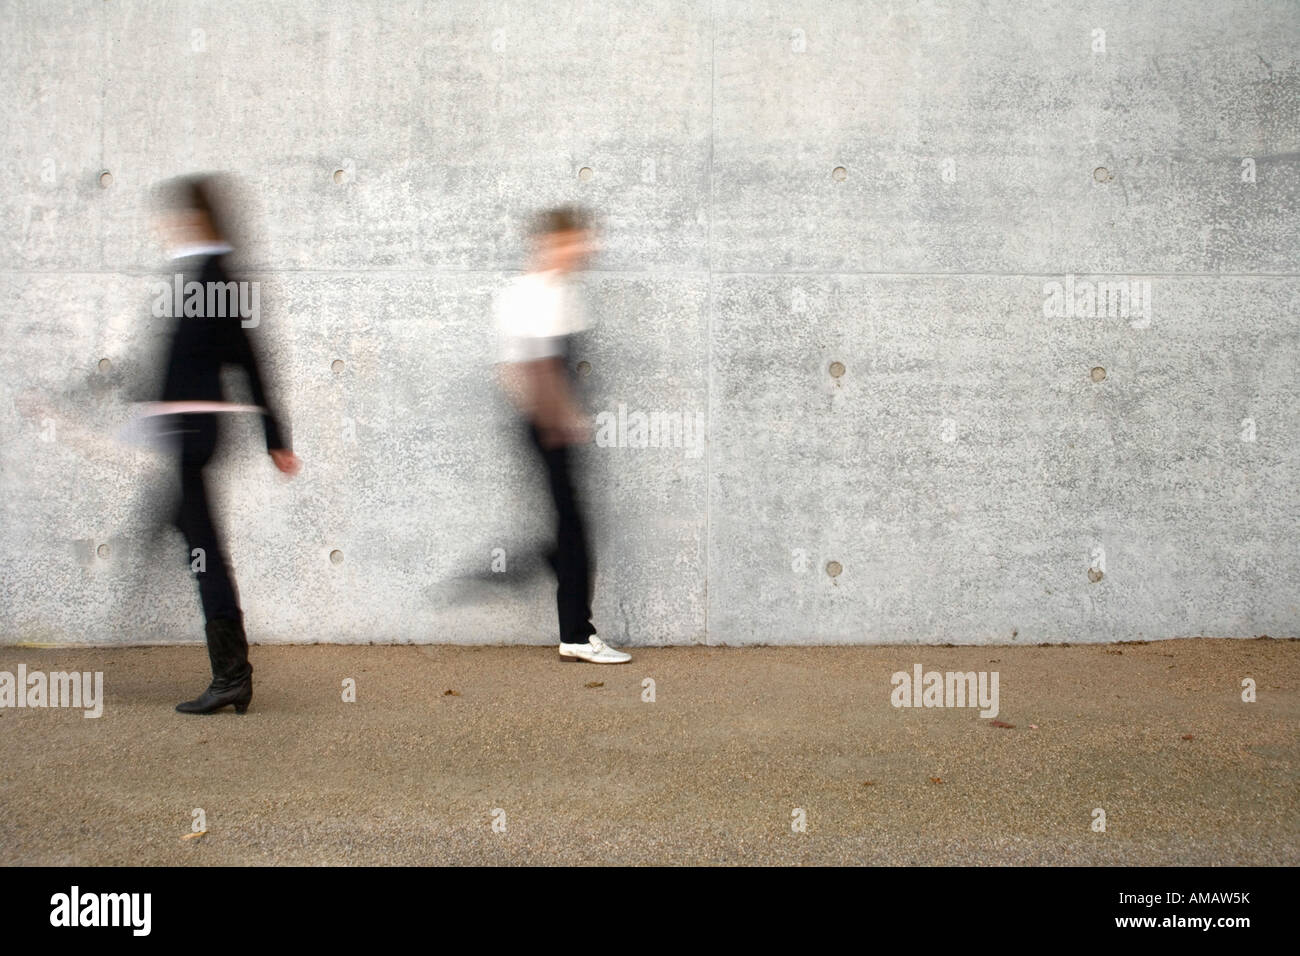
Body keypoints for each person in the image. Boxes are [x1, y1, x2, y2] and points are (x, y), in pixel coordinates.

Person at [152, 175, 300, 713]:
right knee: (188, 531)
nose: (169, 227)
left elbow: (250, 360)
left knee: (205, 551)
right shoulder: (204, 274)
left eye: (178, 218)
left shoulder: (215, 278)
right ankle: (230, 673)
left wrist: (275, 436)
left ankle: (232, 676)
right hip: (187, 429)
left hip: (195, 432)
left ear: (198, 219)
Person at [494, 206, 630, 664]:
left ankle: (541, 565)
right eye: (575, 241)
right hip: (549, 425)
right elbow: (531, 368)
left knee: (569, 526)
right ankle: (575, 634)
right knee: (574, 529)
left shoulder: (557, 290)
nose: (585, 249)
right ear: (552, 243)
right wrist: (559, 419)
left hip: (550, 423)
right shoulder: (536, 293)